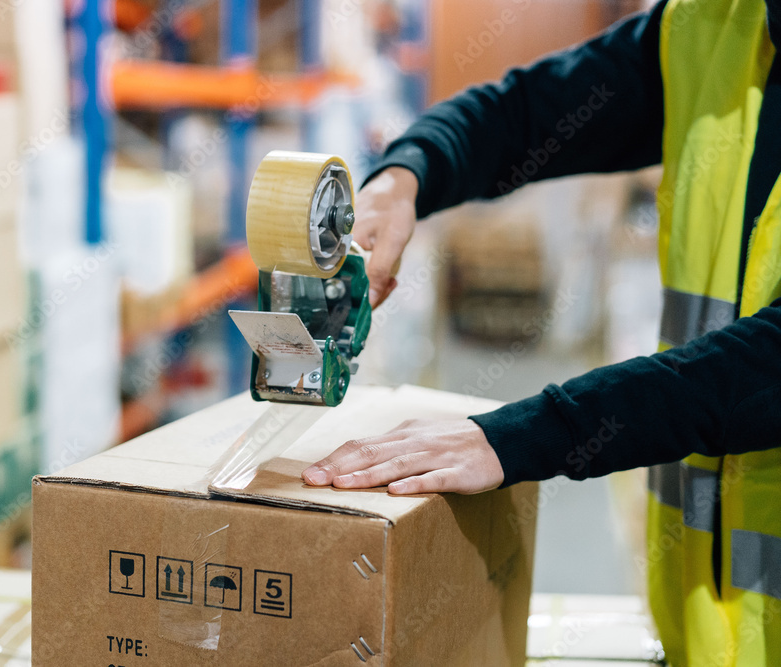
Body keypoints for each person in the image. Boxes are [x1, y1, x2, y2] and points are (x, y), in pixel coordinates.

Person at [301, 0, 781, 664]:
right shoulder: (719, 24)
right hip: (712, 632)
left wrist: (525, 434)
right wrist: (408, 174)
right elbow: (530, 112)